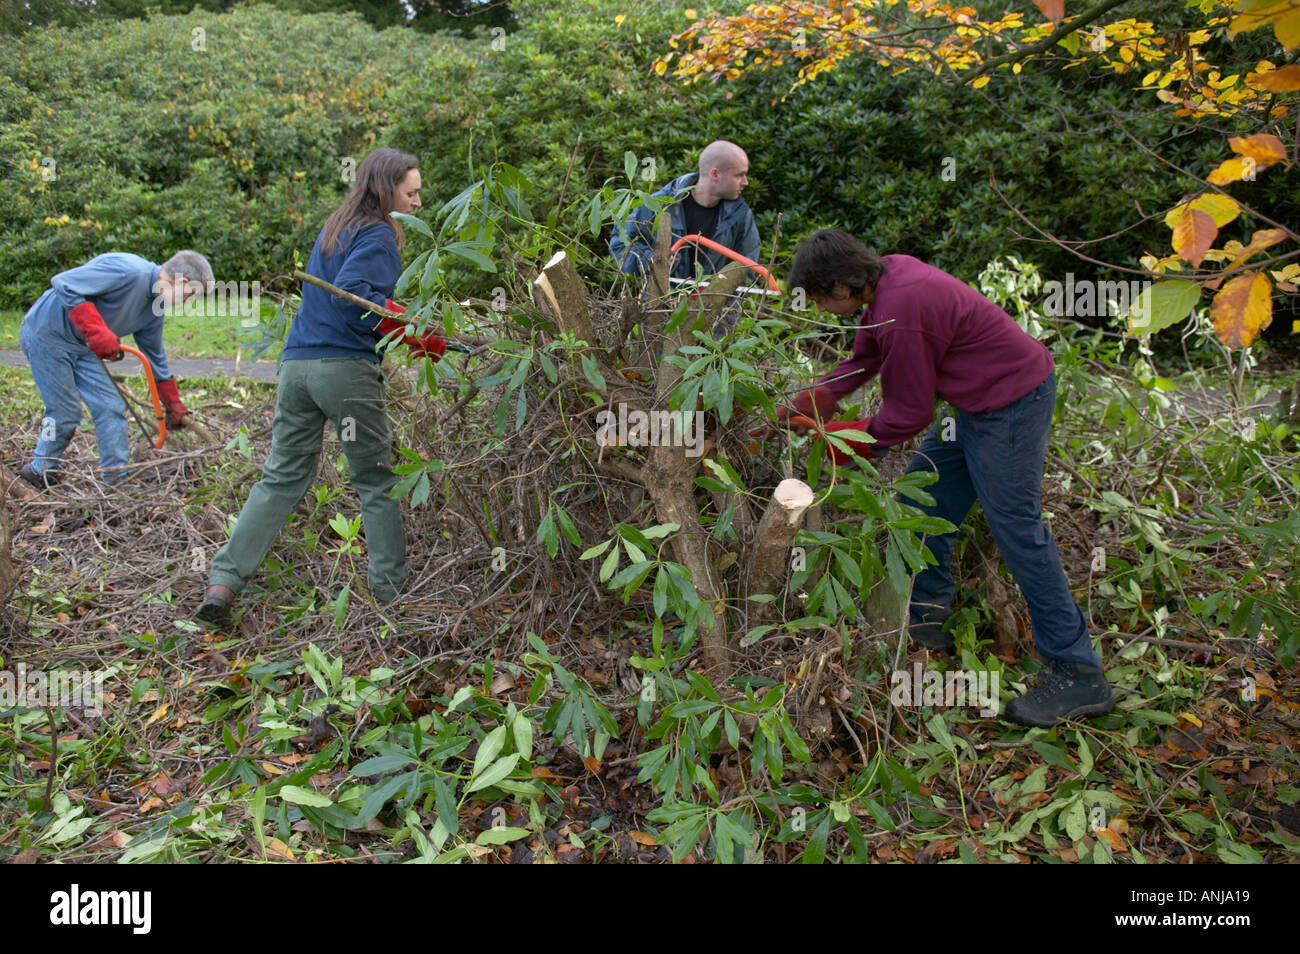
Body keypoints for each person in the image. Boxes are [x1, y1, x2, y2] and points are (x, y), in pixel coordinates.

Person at [780, 229, 1114, 727]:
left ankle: (1079, 671)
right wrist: (804, 403)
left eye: (821, 299)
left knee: (1017, 531)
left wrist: (846, 440)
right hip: (974, 405)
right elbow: (863, 362)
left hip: (1012, 404)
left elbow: (908, 413)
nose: (823, 309)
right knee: (923, 504)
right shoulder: (886, 283)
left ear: (842, 287)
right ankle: (930, 614)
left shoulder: (905, 314)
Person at [196, 147, 445, 625]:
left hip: (296, 370)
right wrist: (420, 334)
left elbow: (346, 293)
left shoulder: (337, 226)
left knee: (282, 474)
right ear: (386, 188)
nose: (417, 204)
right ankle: (393, 595)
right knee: (375, 480)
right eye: (411, 193)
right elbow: (356, 296)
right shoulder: (377, 233)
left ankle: (223, 580)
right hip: (342, 372)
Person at [18, 250, 211, 488]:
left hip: (82, 347)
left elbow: (154, 354)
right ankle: (41, 469)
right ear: (181, 283)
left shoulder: (154, 307)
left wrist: (173, 403)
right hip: (46, 335)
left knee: (111, 408)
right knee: (64, 412)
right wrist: (97, 330)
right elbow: (64, 283)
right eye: (190, 295)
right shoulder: (127, 270)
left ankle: (116, 482)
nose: (187, 302)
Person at [609, 140, 761, 283]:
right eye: (739, 175)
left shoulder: (740, 215)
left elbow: (746, 270)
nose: (745, 182)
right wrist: (651, 260)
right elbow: (620, 245)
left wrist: (717, 296)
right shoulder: (659, 204)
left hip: (714, 309)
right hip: (659, 306)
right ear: (715, 174)